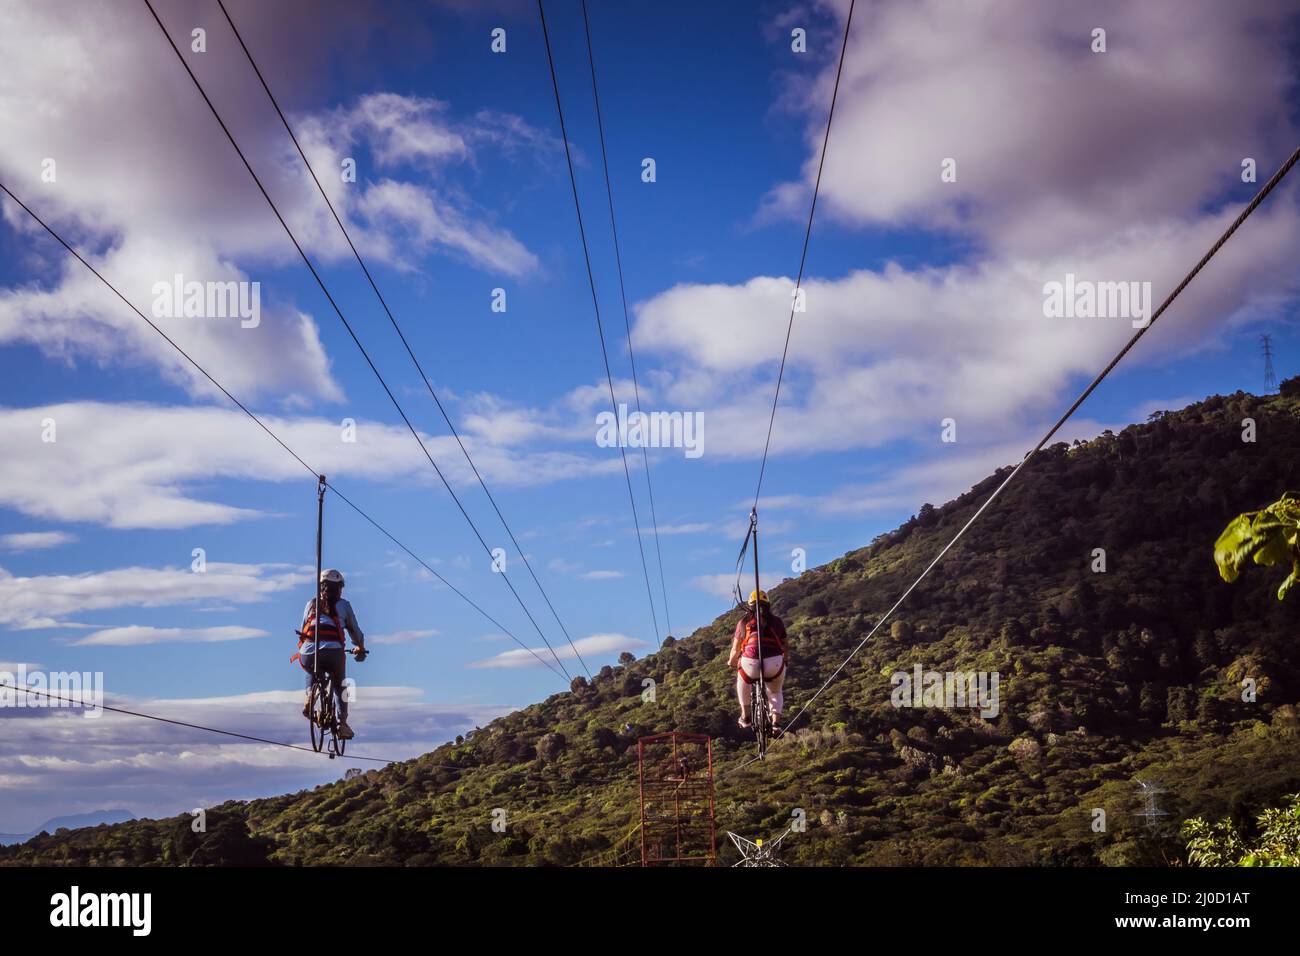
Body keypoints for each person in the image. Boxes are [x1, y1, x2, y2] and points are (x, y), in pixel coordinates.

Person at [296, 568, 366, 739]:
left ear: (320, 587)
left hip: (308, 652)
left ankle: (309, 697)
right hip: (333, 652)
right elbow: (355, 632)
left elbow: (304, 627)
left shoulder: (310, 604)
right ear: (340, 588)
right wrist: (360, 648)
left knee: (312, 670)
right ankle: (342, 724)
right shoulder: (344, 605)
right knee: (341, 685)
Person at [727, 589, 788, 731]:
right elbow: (785, 646)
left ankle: (746, 716)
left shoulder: (743, 622)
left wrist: (731, 661)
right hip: (775, 662)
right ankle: (776, 723)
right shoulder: (777, 622)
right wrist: (785, 661)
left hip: (750, 662)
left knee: (742, 680)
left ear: (749, 606)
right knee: (775, 692)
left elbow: (736, 649)